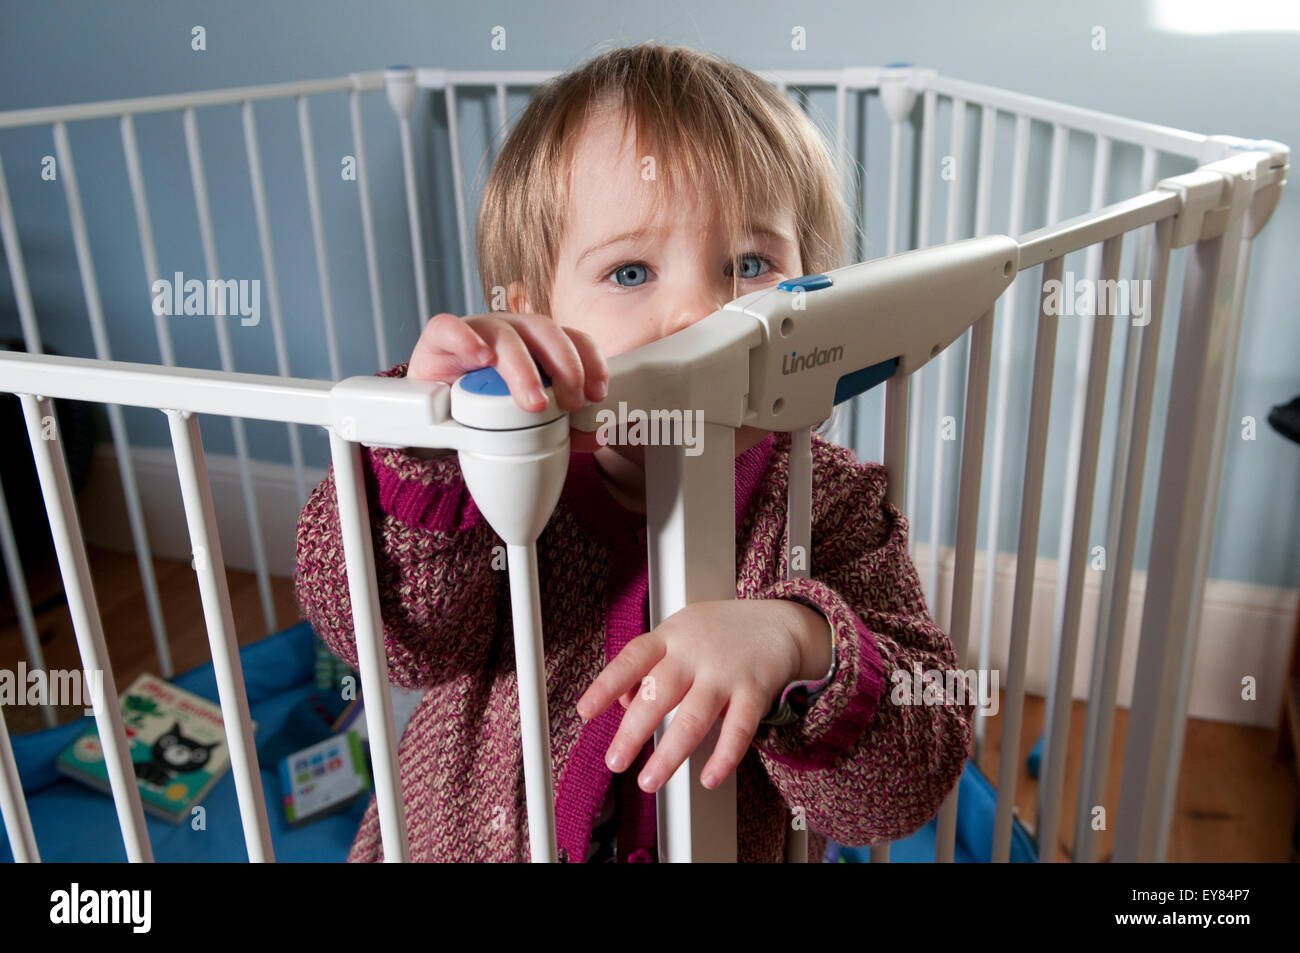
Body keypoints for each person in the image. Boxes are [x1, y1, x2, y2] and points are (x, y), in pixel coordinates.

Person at [294, 41, 974, 862]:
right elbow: (387, 633)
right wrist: (437, 443)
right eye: (628, 272)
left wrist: (801, 644)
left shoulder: (830, 506)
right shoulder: (502, 454)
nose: (698, 310)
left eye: (750, 263)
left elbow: (907, 782)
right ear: (531, 314)